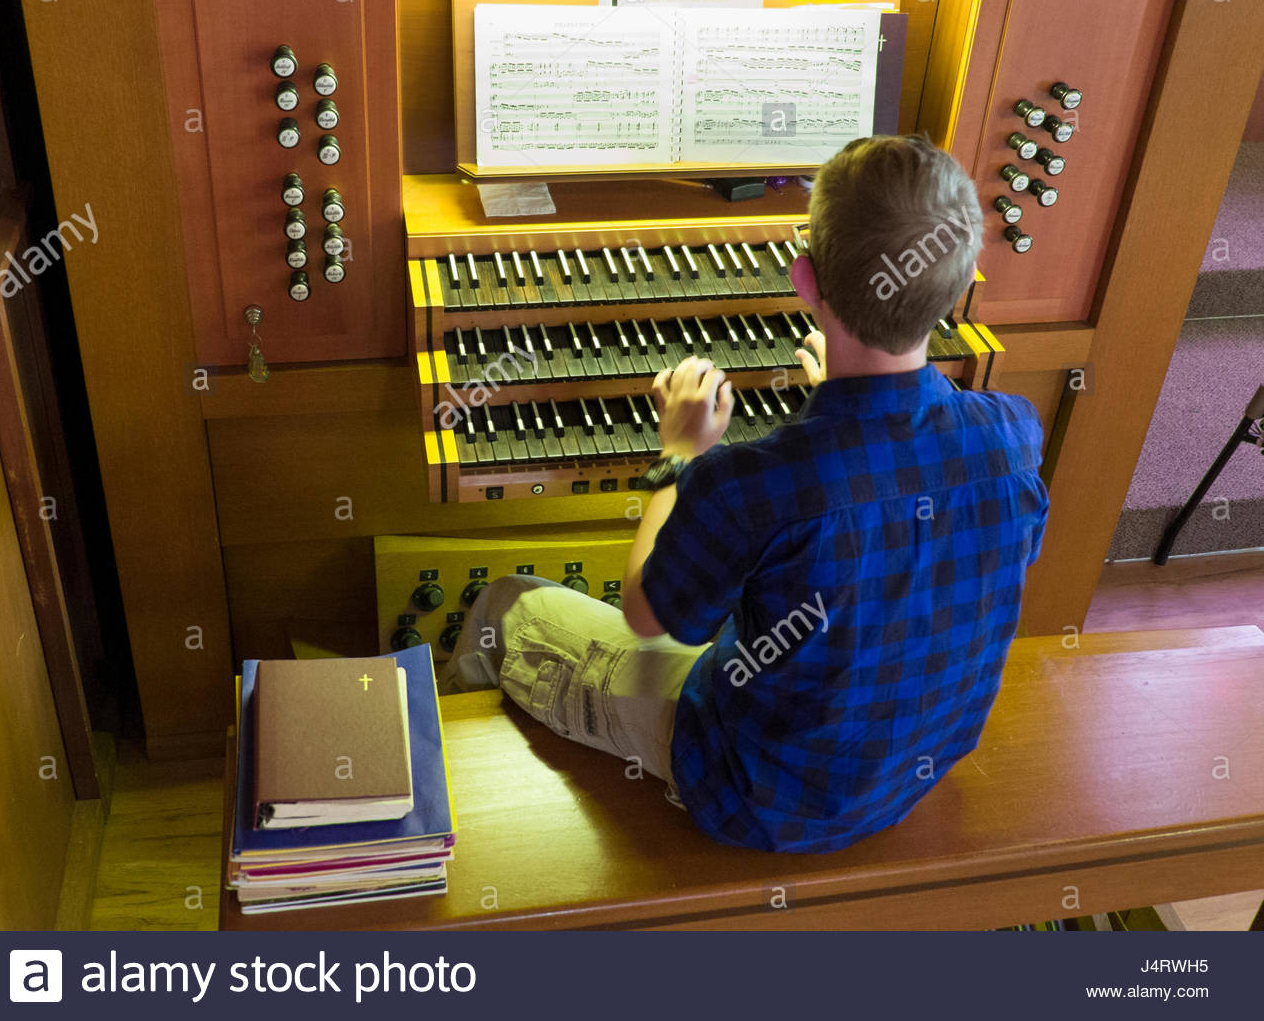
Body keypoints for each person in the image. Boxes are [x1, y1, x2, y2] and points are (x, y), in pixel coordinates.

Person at [443, 134, 1050, 852]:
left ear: (804, 280)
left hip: (753, 793)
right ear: (956, 285)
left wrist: (678, 456)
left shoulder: (750, 482)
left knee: (503, 603)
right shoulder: (1013, 434)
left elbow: (646, 616)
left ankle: (449, 825)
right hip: (909, 770)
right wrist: (851, 392)